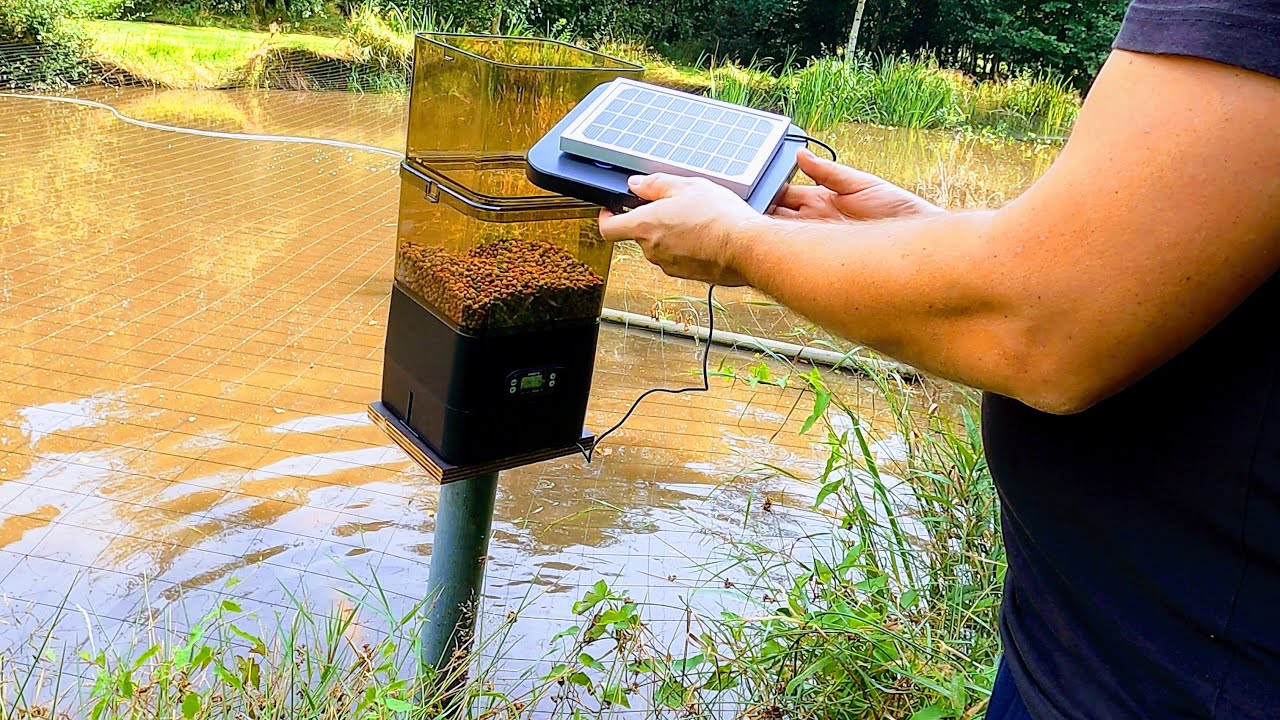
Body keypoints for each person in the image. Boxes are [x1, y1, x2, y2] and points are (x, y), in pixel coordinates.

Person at [597, 1, 1280, 717]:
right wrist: (924, 234)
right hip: (1088, 646)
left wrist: (740, 244)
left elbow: (1041, 328)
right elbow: (1133, 260)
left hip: (1179, 685)